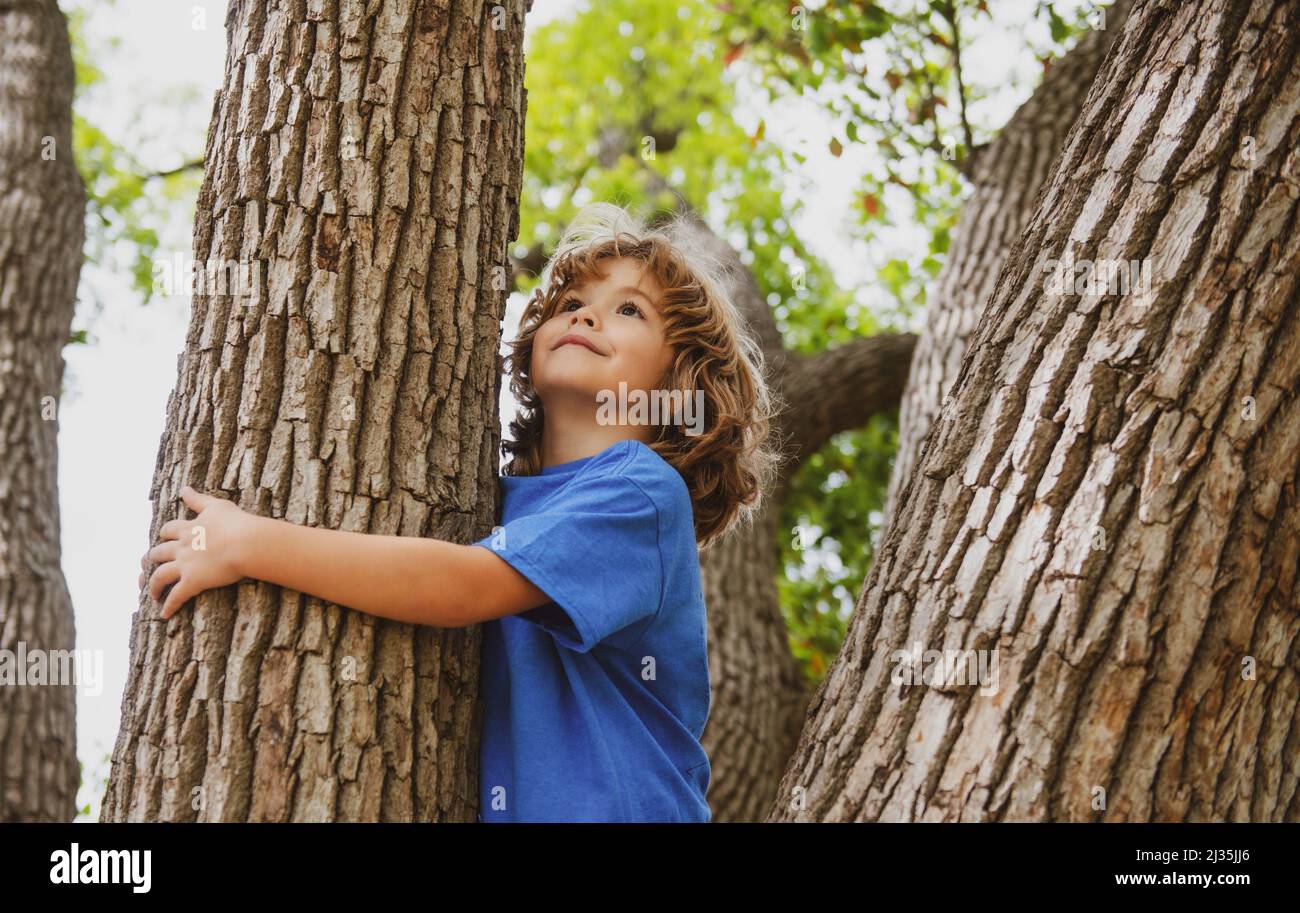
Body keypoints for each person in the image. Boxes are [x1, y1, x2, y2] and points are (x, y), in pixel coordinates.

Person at [138, 201, 782, 822]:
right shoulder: (493, 500)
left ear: (682, 379)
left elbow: (460, 585)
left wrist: (248, 544)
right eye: (571, 304)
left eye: (629, 310)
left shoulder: (641, 493)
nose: (585, 318)